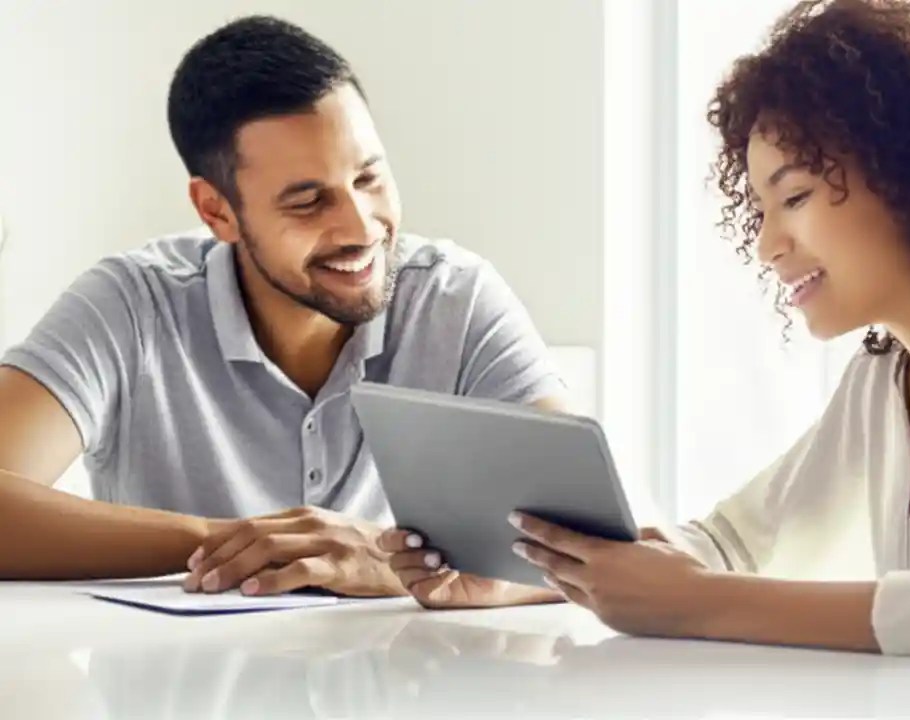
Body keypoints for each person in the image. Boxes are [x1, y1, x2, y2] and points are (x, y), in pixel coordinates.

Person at [382, 0, 910, 711]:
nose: (769, 244)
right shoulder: (883, 381)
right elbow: (732, 542)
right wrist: (534, 574)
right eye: (761, 209)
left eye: (795, 197)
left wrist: (698, 603)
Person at [0, 15, 567, 608]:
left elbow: (609, 550)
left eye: (369, 178)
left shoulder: (455, 298)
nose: (360, 227)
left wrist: (398, 565)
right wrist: (235, 542)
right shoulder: (133, 304)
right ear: (216, 211)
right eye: (307, 201)